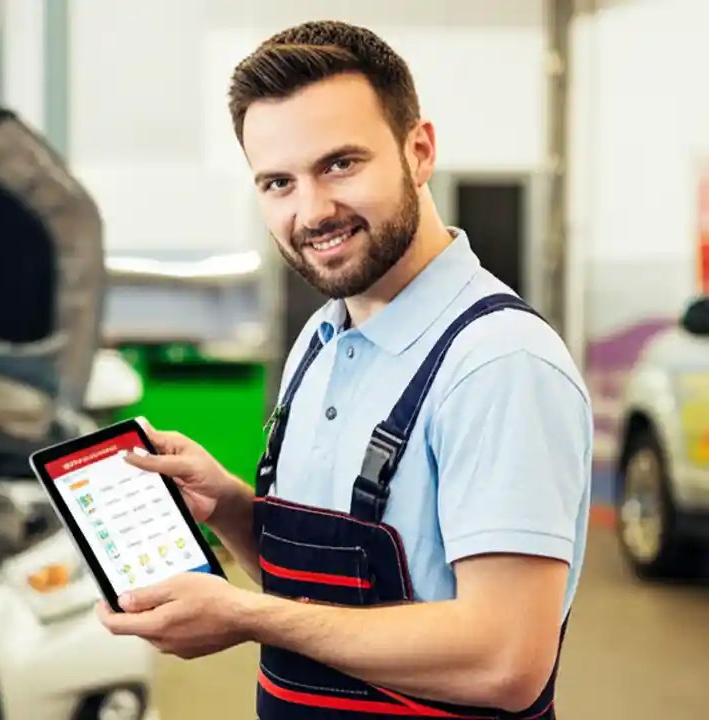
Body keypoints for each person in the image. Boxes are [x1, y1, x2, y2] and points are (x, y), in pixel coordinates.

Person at [97, 20, 592, 720]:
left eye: (340, 165)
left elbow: (505, 660)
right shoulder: (322, 340)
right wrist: (233, 509)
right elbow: (329, 600)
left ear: (418, 151)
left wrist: (246, 618)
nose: (311, 211)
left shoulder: (499, 364)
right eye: (278, 182)